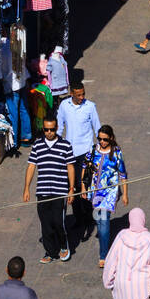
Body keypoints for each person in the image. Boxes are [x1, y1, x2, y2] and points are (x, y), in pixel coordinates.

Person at [23, 119, 76, 263]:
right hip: (43, 191)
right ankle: (50, 252)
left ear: (57, 128)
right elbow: (31, 166)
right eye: (46, 130)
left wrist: (71, 189)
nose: (49, 133)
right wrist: (26, 188)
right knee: (45, 224)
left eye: (52, 129)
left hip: (59, 191)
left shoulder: (65, 145)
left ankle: (64, 246)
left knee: (59, 222)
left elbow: (70, 167)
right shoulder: (38, 145)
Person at [57, 81, 101, 242]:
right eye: (78, 95)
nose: (82, 97)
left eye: (83, 94)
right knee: (73, 186)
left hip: (87, 151)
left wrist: (100, 149)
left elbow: (97, 127)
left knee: (86, 184)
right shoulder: (64, 106)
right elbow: (59, 127)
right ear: (71, 94)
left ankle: (89, 216)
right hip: (70, 152)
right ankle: (78, 217)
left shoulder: (90, 107)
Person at [81, 125, 128, 267]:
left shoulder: (117, 153)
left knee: (104, 222)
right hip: (95, 191)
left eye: (105, 139)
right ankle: (104, 245)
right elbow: (84, 167)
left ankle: (103, 255)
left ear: (111, 138)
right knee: (99, 220)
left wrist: (125, 194)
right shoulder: (93, 150)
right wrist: (83, 187)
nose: (102, 142)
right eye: (100, 139)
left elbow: (123, 175)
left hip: (110, 192)